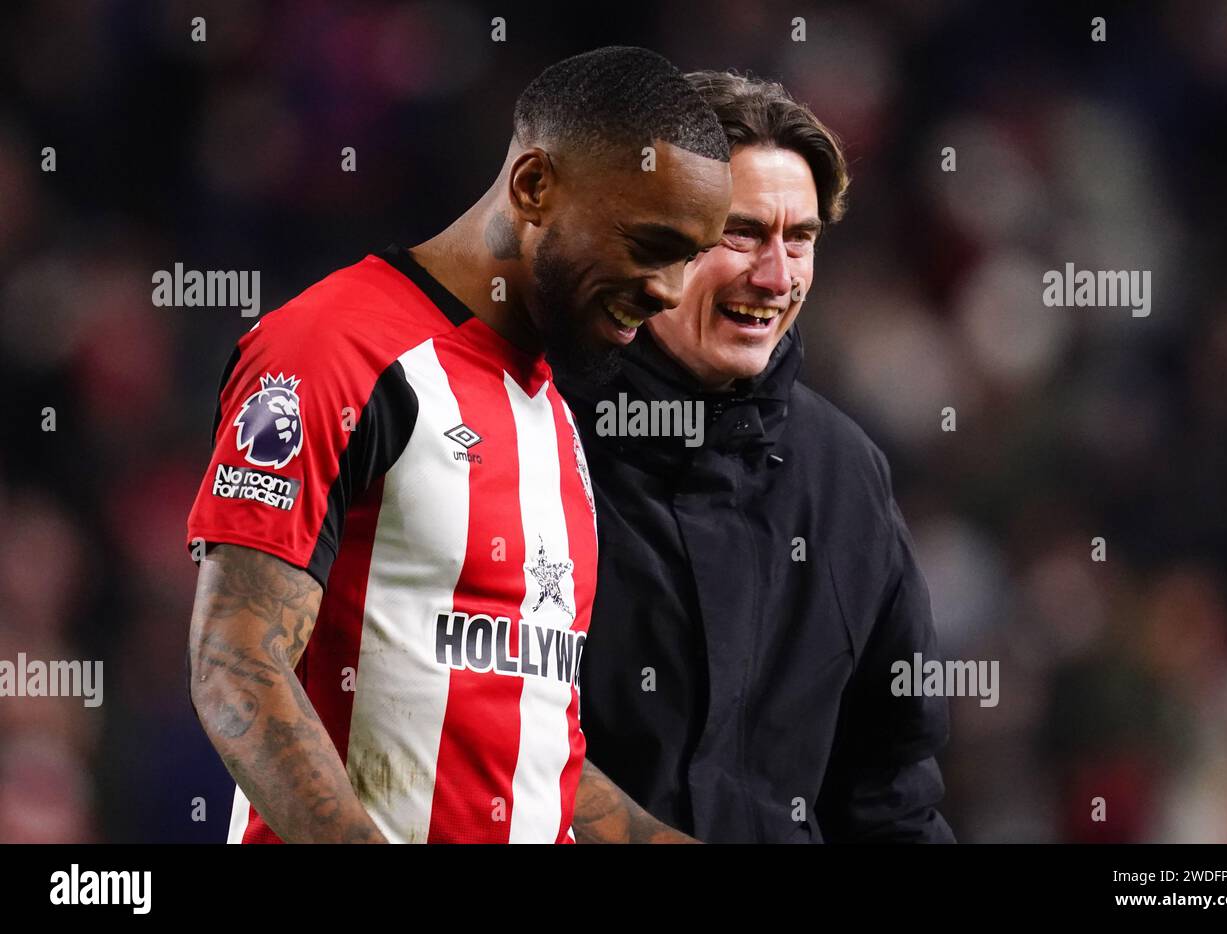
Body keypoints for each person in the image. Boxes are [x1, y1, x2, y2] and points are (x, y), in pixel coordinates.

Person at [184, 46, 732, 844]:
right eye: (651, 245)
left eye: (689, 259)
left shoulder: (553, 414)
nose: (671, 290)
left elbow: (535, 755)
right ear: (534, 186)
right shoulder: (336, 350)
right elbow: (236, 663)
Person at [558, 70, 955, 843]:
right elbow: (475, 742)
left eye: (799, 238)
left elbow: (892, 788)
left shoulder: (844, 474)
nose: (775, 277)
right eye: (740, 233)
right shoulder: (523, 433)